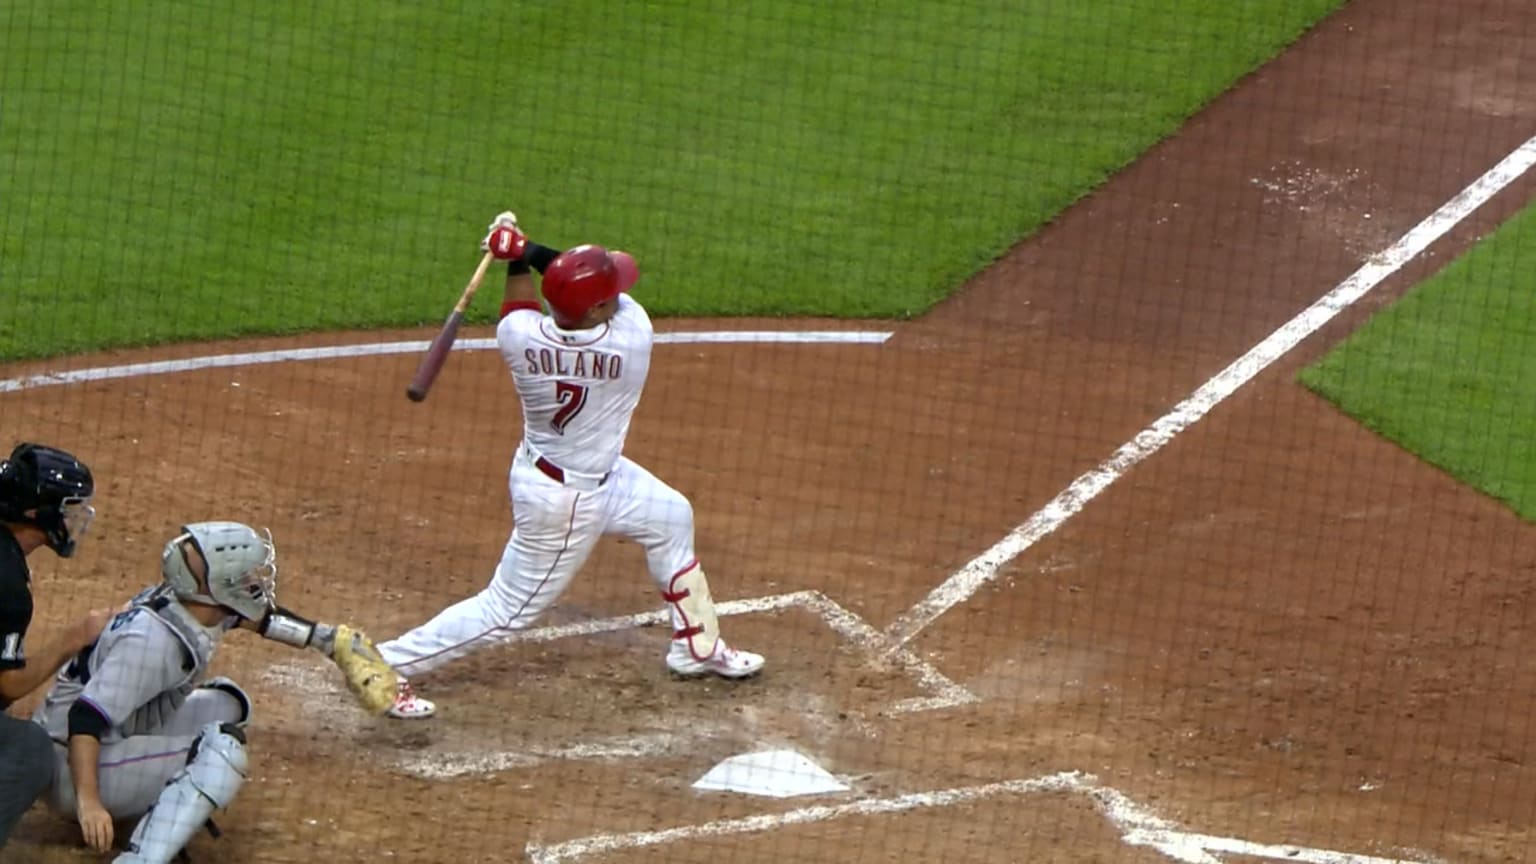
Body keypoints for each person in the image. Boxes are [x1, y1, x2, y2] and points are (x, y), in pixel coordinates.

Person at [377, 211, 765, 719]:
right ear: (598, 308)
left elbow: (521, 302)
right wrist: (526, 246)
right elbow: (555, 275)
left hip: (575, 472)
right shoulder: (631, 338)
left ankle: (695, 647)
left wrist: (512, 254)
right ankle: (380, 663)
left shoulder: (519, 339)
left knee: (670, 516)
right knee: (508, 611)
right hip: (567, 503)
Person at [32, 520, 393, 862]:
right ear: (219, 586)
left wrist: (331, 641)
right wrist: (89, 803)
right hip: (71, 764)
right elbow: (85, 717)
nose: (255, 581)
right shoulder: (152, 643)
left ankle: (143, 804)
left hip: (106, 735)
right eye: (245, 576)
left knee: (228, 704)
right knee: (222, 751)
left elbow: (261, 618)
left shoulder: (191, 602)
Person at [0, 442, 113, 851]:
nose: (71, 517)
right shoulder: (8, 584)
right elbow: (7, 685)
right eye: (66, 507)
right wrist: (74, 638)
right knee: (30, 748)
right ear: (35, 513)